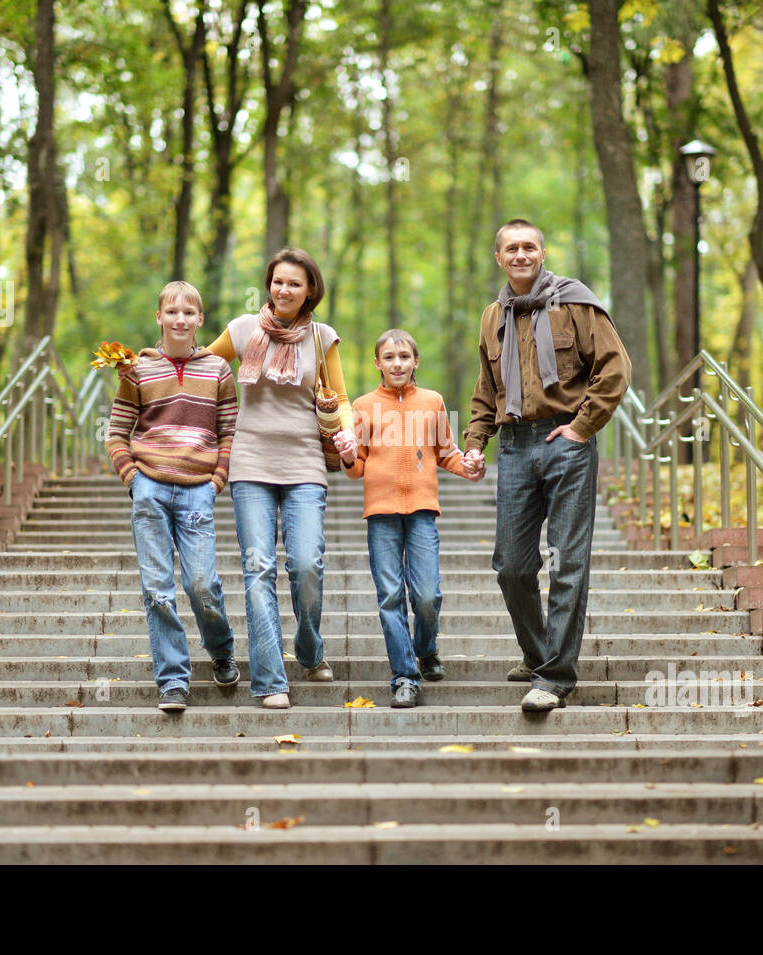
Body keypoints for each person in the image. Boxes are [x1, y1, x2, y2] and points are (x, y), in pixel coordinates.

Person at [462, 219, 632, 712]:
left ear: (541, 252)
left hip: (565, 440)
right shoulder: (492, 315)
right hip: (514, 445)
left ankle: (555, 676)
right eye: (511, 248)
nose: (520, 254)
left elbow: (614, 367)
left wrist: (583, 426)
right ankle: (538, 653)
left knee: (566, 559)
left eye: (529, 246)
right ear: (499, 257)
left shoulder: (575, 301)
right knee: (512, 567)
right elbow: (486, 390)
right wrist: (476, 442)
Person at [202, 248, 356, 709]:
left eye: (294, 283)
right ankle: (270, 680)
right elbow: (202, 371)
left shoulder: (321, 338)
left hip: (306, 463)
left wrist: (347, 430)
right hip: (249, 463)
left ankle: (309, 648)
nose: (284, 290)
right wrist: (151, 368)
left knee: (306, 564)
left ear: (310, 290)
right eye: (277, 281)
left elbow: (341, 397)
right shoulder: (242, 329)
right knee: (258, 569)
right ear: (267, 285)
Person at [105, 280, 239, 712]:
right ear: (159, 317)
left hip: (199, 489)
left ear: (200, 319)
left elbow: (229, 432)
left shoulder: (218, 369)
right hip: (150, 488)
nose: (180, 319)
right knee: (157, 589)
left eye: (189, 312)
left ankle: (220, 650)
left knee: (203, 584)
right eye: (172, 312)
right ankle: (173, 680)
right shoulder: (138, 371)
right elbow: (116, 433)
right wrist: (133, 478)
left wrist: (217, 479)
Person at [341, 329, 481, 708]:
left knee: (427, 596)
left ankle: (427, 648)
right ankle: (405, 676)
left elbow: (445, 451)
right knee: (390, 596)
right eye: (389, 357)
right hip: (381, 514)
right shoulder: (364, 406)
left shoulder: (432, 402)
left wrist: (467, 466)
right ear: (378, 364)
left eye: (404, 356)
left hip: (421, 512)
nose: (397, 363)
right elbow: (357, 467)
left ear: (415, 361)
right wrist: (348, 454)